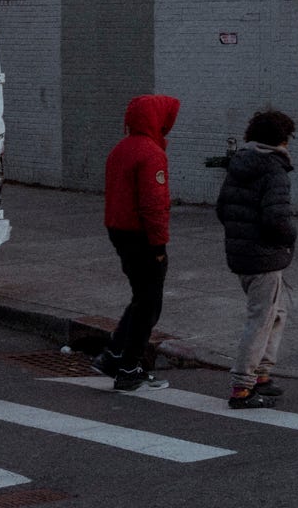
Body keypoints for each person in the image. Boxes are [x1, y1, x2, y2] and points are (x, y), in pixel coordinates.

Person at [215, 109, 297, 410]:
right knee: (261, 320)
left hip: (242, 254)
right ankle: (243, 386)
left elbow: (223, 209)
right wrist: (290, 236)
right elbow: (277, 218)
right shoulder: (274, 169)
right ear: (280, 139)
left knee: (276, 314)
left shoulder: (239, 165)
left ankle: (261, 374)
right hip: (265, 256)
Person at [96, 94, 178, 392]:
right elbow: (153, 205)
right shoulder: (151, 153)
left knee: (141, 297)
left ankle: (114, 355)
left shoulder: (121, 148)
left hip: (119, 229)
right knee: (149, 303)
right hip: (140, 235)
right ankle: (129, 366)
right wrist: (159, 245)